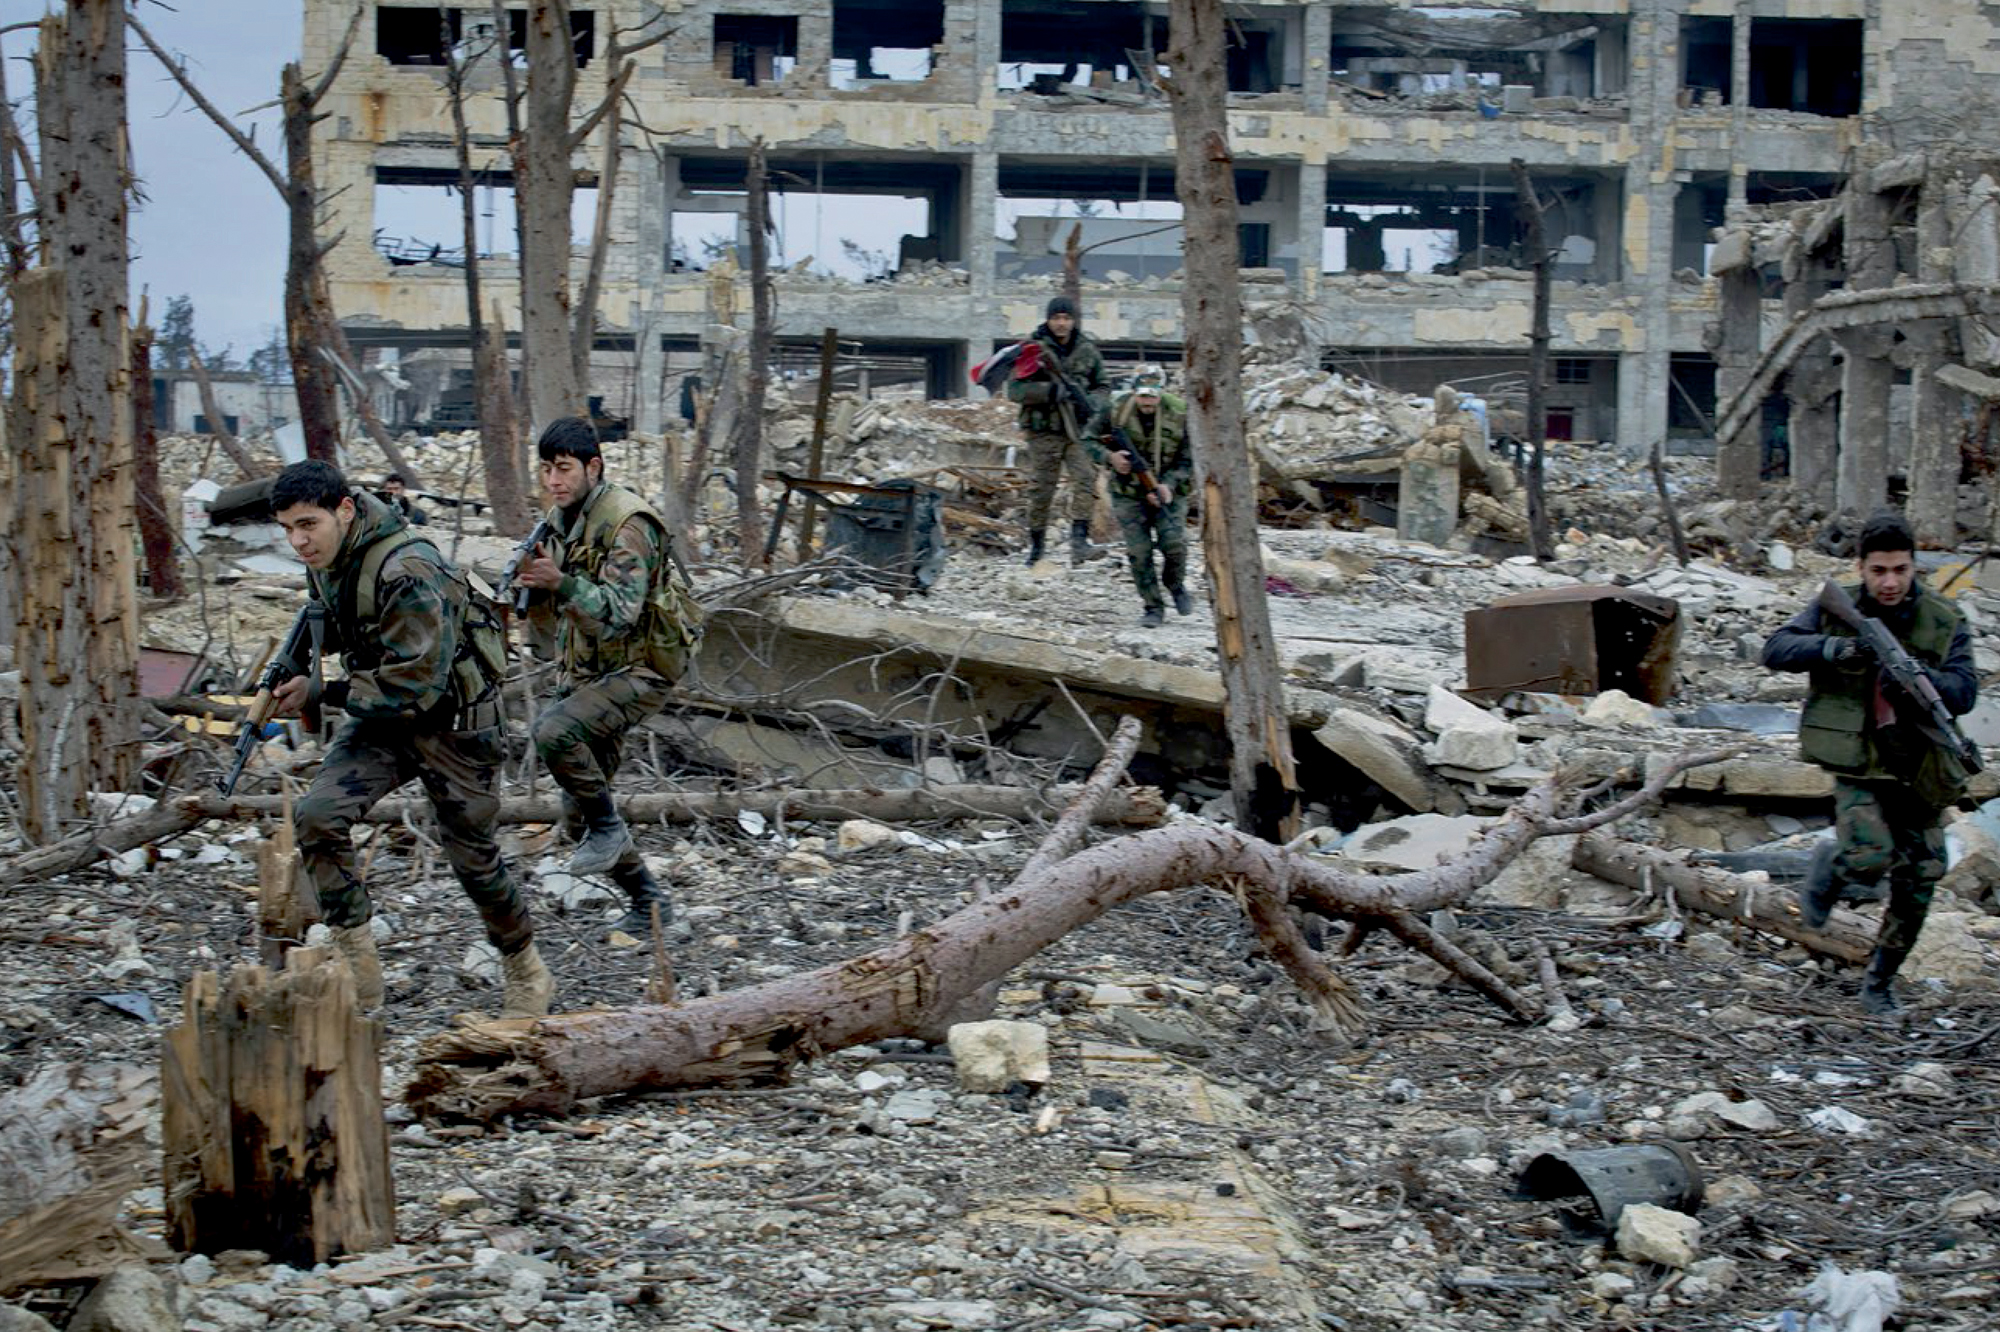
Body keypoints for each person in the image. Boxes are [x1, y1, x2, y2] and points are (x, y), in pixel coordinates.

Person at [270, 459, 551, 1017]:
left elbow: (415, 687)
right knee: (317, 817)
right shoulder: (328, 560)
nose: (298, 541)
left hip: (455, 726)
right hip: (384, 719)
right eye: (287, 529)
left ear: (343, 511)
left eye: (308, 525)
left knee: (474, 861)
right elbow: (336, 624)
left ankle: (526, 970)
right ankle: (359, 975)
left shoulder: (407, 569)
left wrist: (321, 692)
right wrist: (295, 667)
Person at [1761, 510, 1978, 1013]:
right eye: (1878, 571)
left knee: (1921, 878)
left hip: (1919, 767)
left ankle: (1879, 984)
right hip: (1858, 763)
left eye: (1900, 570)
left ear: (1915, 566)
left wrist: (1921, 680)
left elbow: (1964, 691)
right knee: (1868, 855)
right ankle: (1829, 866)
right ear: (1860, 567)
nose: (1890, 582)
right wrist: (1837, 649)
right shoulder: (1837, 607)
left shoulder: (1944, 619)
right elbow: (1776, 649)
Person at [518, 417, 702, 936]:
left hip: (643, 668)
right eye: (546, 469)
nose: (553, 480)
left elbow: (621, 611)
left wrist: (561, 582)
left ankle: (608, 830)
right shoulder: (562, 520)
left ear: (593, 467)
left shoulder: (627, 524)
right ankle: (650, 903)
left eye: (564, 469)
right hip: (593, 670)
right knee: (579, 811)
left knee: (553, 731)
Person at [1084, 366, 1195, 627]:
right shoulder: (1114, 410)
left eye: (1153, 396)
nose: (1148, 402)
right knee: (1139, 551)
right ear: (1133, 392)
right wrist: (1110, 457)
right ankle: (1152, 606)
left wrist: (1168, 485)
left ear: (1162, 393)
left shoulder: (1180, 412)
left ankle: (1175, 584)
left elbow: (1190, 458)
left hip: (1169, 491)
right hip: (1128, 494)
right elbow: (1087, 439)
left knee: (1175, 544)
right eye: (1143, 395)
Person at [1006, 295, 1108, 567]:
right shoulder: (1032, 349)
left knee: (1086, 479)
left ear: (1073, 320)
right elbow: (1014, 390)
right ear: (1048, 320)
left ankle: (1079, 543)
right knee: (1042, 489)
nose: (1061, 324)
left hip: (1078, 429)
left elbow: (1103, 386)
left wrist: (1091, 402)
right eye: (1056, 318)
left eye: (1066, 318)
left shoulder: (1087, 350)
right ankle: (1037, 547)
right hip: (1044, 432)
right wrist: (1050, 392)